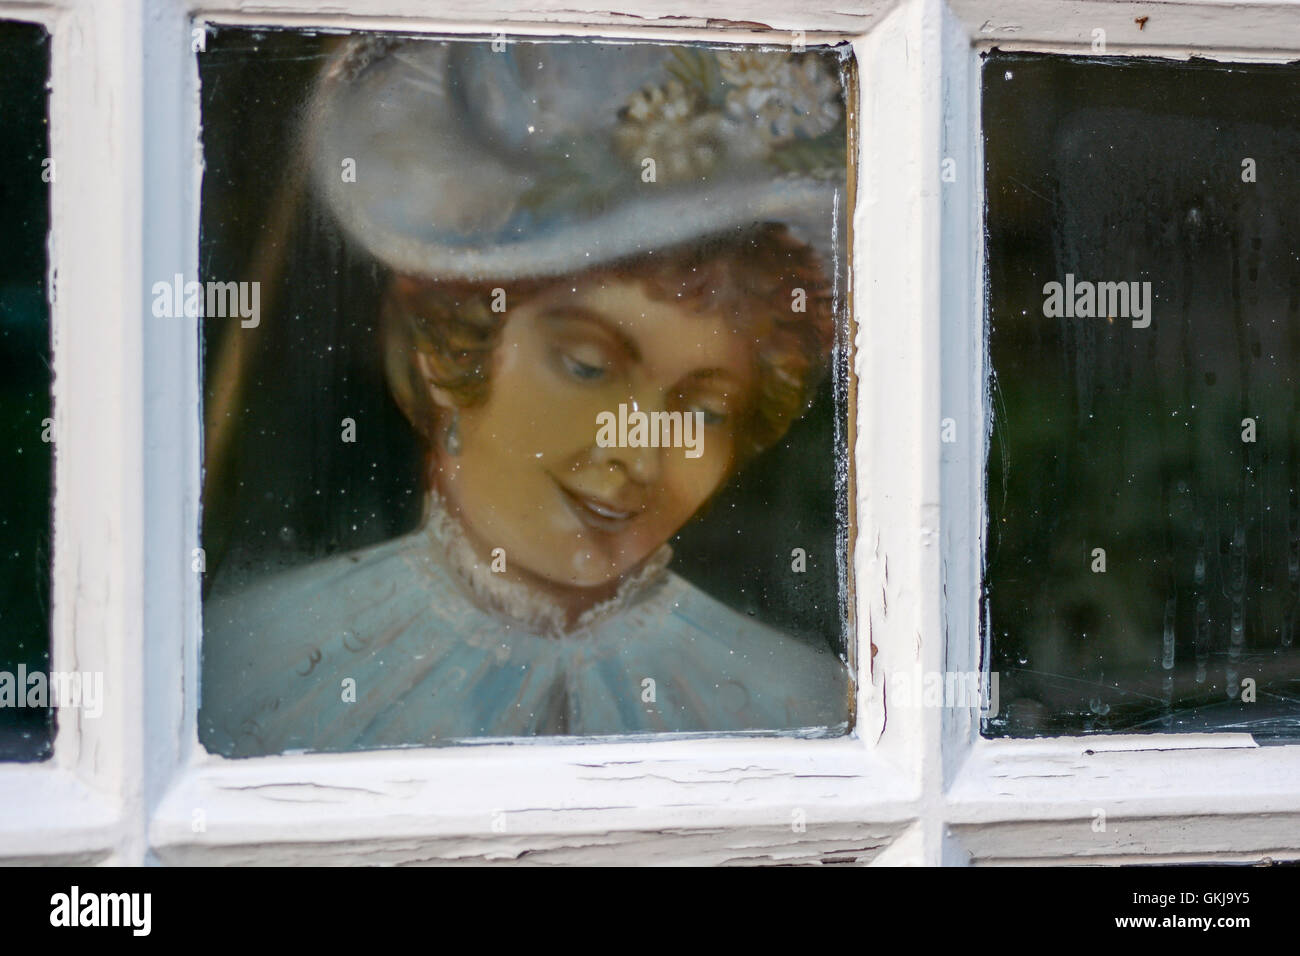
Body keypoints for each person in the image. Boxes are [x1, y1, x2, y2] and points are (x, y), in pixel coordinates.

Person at [200, 36, 853, 756]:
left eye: (702, 412)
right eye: (585, 366)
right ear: (451, 348)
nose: (638, 456)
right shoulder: (246, 668)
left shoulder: (801, 707)